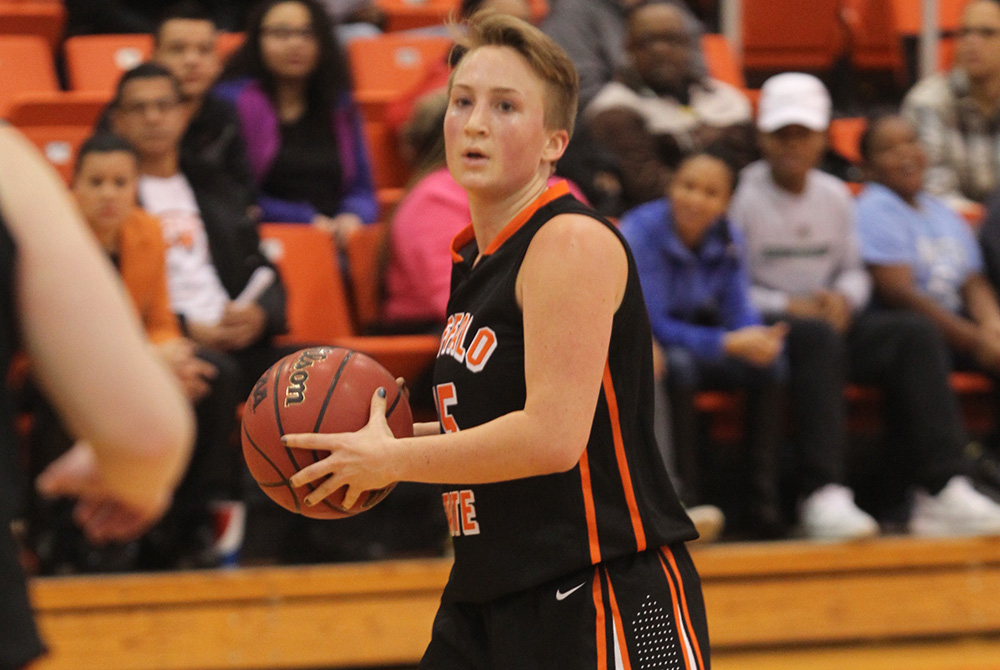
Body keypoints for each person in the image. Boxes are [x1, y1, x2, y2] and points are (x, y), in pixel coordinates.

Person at [285, 13, 710, 668]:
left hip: (603, 587)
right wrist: (365, 446)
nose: (475, 122)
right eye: (463, 102)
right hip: (489, 591)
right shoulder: (477, 261)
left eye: (505, 106)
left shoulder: (569, 241)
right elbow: (486, 425)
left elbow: (551, 437)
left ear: (554, 142)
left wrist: (392, 462)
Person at [731, 72, 988, 539]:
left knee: (913, 333)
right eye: (780, 133)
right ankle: (821, 492)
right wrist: (788, 303)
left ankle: (943, 486)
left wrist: (846, 298)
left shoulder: (834, 195)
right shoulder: (741, 196)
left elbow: (853, 270)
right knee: (817, 338)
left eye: (802, 133)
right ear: (761, 137)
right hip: (767, 328)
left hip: (832, 321)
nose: (791, 144)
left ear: (823, 138)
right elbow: (729, 286)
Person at [0, 125, 193, 669]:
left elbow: (161, 324)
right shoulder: (9, 167)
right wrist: (135, 476)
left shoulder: (145, 234)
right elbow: (145, 434)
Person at [22, 133, 242, 573]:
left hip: (130, 361)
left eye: (120, 183)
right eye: (96, 182)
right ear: (74, 186)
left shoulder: (146, 231)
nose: (108, 194)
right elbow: (44, 337)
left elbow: (160, 320)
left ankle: (190, 522)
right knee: (64, 395)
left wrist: (173, 357)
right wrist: (148, 365)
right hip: (46, 368)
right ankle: (58, 530)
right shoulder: (52, 239)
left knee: (214, 374)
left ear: (135, 187)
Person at [620, 150, 788, 537]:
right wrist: (730, 343)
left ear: (726, 202)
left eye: (710, 192)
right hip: (650, 339)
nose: (696, 198)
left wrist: (757, 337)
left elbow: (738, 306)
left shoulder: (729, 236)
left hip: (700, 337)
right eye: (688, 186)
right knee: (676, 365)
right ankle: (683, 499)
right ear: (671, 187)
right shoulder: (641, 230)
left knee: (772, 364)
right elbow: (653, 322)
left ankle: (761, 507)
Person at [854, 113, 1000, 534]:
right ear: (868, 166)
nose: (905, 153)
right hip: (904, 332)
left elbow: (973, 280)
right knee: (918, 336)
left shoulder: (941, 210)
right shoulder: (873, 208)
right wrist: (977, 340)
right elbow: (899, 292)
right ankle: (944, 488)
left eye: (911, 141)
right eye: (889, 147)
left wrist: (992, 326)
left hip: (957, 332)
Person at [216, 0, 378, 240]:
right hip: (269, 236)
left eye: (307, 33)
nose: (296, 43)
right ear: (256, 40)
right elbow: (234, 191)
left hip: (338, 237)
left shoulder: (338, 103)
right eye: (281, 34)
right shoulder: (233, 101)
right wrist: (304, 220)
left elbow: (362, 189)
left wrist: (353, 215)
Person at [585, 1, 753, 214]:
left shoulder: (728, 99)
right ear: (628, 48)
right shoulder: (613, 109)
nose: (661, 49)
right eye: (648, 41)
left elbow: (749, 173)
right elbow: (648, 188)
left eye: (672, 39)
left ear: (690, 45)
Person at [901, 0, 1000, 214]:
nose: (972, 42)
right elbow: (933, 193)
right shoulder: (928, 102)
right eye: (965, 32)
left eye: (987, 33)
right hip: (950, 233)